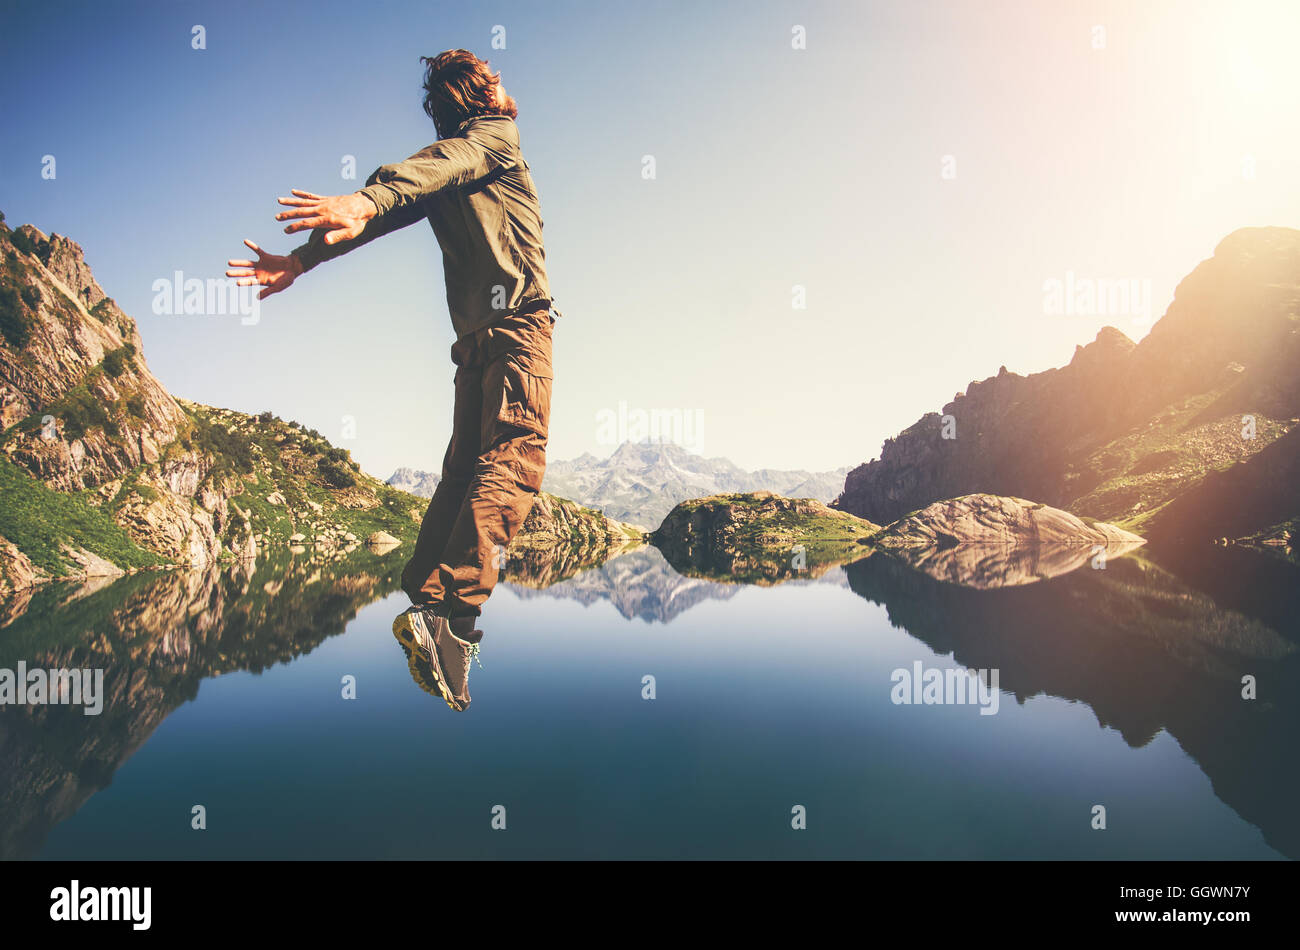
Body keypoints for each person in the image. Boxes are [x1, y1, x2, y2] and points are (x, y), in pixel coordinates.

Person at [227, 49, 554, 710]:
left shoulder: (444, 168)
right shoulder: (494, 138)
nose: (507, 86)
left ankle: (427, 598)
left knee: (466, 472)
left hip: (473, 342)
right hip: (520, 327)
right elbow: (420, 179)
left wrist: (303, 258)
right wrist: (356, 204)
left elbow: (393, 204)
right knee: (514, 462)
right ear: (482, 93)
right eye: (497, 78)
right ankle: (452, 621)